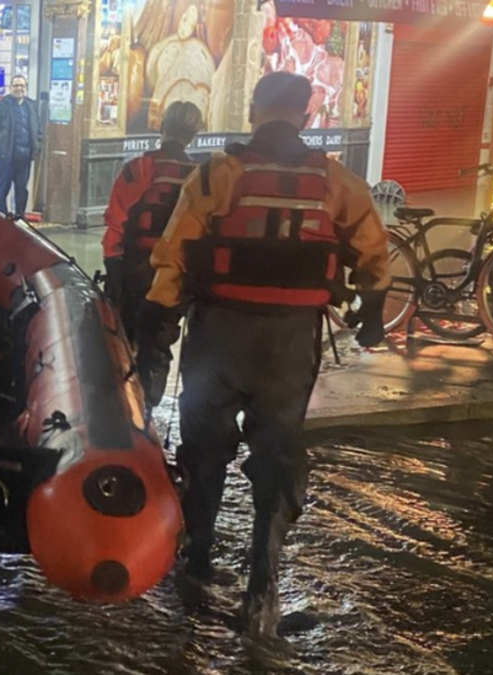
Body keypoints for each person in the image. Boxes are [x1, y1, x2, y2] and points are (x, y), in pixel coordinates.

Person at [134, 72, 389, 643]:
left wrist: (159, 315)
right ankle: (262, 582)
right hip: (291, 344)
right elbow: (373, 248)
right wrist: (372, 309)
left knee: (203, 448)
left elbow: (175, 250)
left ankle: (196, 559)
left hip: (219, 336)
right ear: (307, 112)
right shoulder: (335, 181)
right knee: (277, 454)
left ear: (253, 110)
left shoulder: (218, 173)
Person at [101, 100, 202, 343]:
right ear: (193, 135)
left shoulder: (141, 168)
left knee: (124, 343)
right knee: (158, 344)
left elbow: (117, 221)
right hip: (177, 275)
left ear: (162, 127)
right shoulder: (202, 175)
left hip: (137, 270)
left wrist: (113, 268)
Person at [0, 74, 42, 216]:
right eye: (16, 85)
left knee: (21, 191)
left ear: (26, 88)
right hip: (6, 157)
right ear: (10, 88)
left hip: (25, 158)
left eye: (22, 85)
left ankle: (20, 219)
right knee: (1, 191)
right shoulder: (1, 106)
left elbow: (38, 129)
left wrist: (36, 147)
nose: (19, 88)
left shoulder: (31, 105)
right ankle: (1, 220)